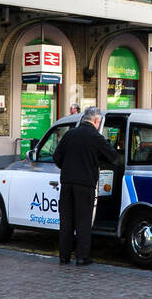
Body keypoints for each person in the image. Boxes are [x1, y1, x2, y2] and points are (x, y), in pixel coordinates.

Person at [52, 106, 121, 266]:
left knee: (66, 221)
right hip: (85, 184)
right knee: (83, 221)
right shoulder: (95, 137)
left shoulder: (70, 134)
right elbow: (114, 157)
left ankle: (64, 256)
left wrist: (68, 168)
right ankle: (82, 256)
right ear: (96, 121)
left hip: (67, 183)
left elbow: (57, 157)